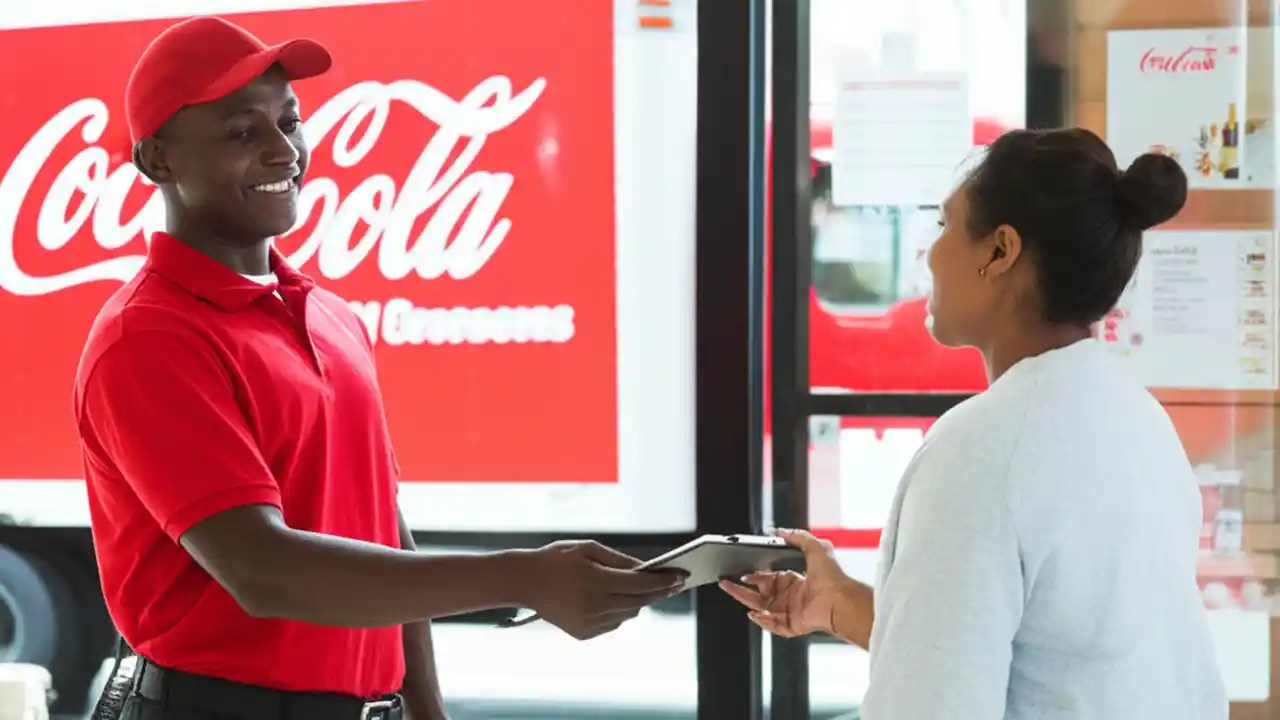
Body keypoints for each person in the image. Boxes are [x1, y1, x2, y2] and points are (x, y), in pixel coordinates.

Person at [73, 16, 683, 720]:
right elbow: (262, 571)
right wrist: (522, 576)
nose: (284, 152)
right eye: (243, 133)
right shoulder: (148, 337)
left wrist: (425, 710)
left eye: (289, 122)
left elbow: (385, 533)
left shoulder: (331, 316)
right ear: (157, 162)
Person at [724, 128, 1229, 719]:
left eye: (943, 226)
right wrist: (837, 604)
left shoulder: (984, 449)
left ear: (999, 251)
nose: (929, 254)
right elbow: (1048, 658)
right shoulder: (1138, 419)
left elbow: (931, 705)